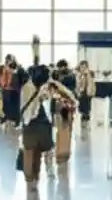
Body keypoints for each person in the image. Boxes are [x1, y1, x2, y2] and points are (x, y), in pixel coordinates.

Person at [19, 60, 77, 190]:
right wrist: (40, 98)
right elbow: (29, 112)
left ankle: (42, 173)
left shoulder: (42, 85)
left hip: (39, 121)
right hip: (32, 121)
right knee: (35, 151)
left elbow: (69, 95)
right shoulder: (29, 88)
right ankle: (33, 178)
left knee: (44, 148)